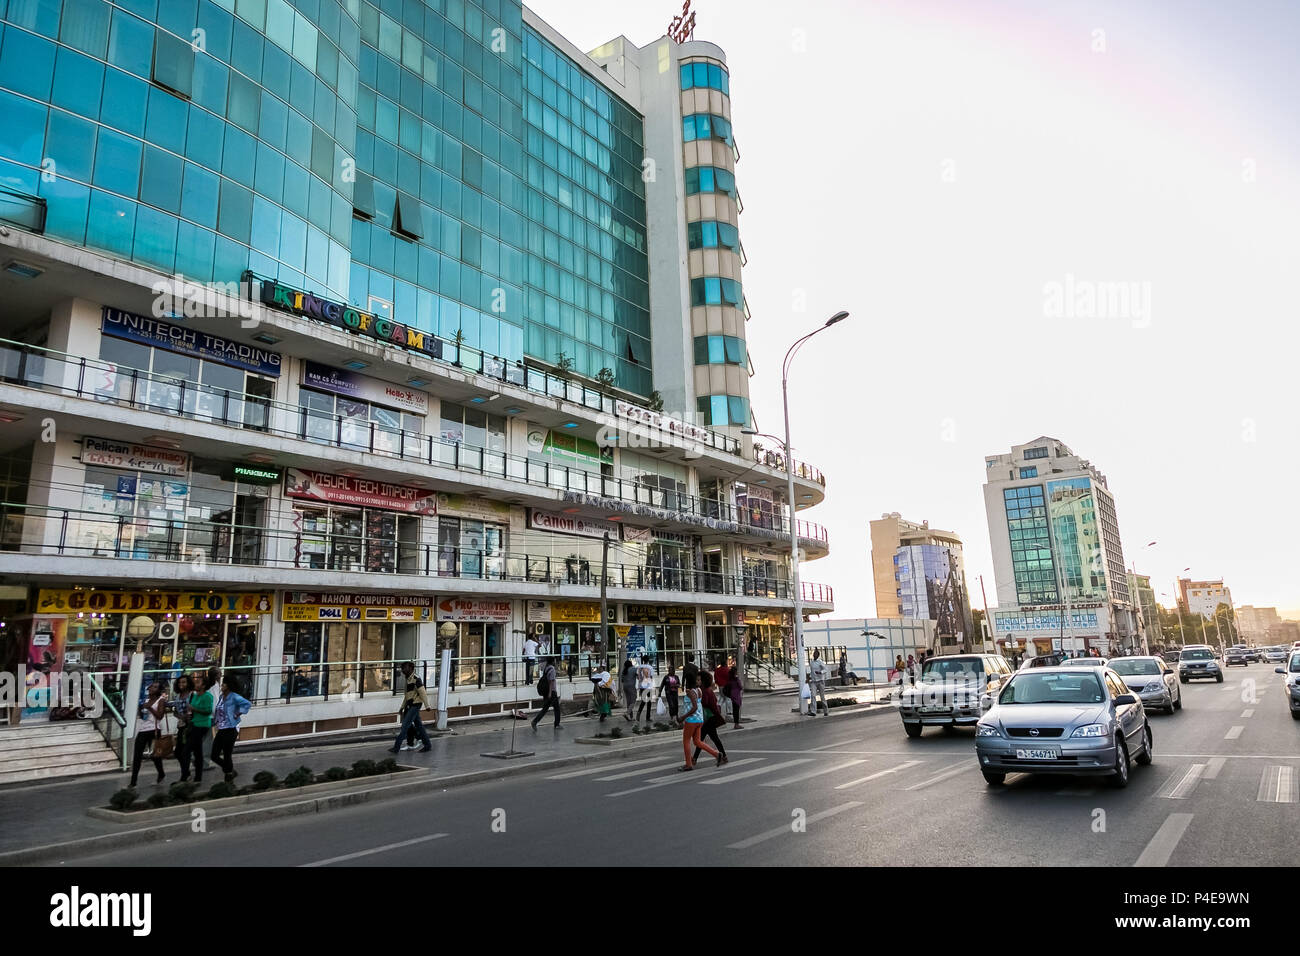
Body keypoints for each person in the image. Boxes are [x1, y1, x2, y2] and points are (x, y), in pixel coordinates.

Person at [210, 676, 251, 780]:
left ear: (228, 686)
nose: (221, 686)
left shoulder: (234, 697)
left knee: (227, 754)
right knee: (214, 755)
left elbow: (247, 704)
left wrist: (238, 713)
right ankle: (229, 770)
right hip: (221, 728)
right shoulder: (221, 697)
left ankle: (228, 777)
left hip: (231, 728)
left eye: (223, 684)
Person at [129, 682, 168, 788]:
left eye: (155, 687)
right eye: (151, 686)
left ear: (159, 690)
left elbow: (160, 716)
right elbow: (142, 716)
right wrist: (140, 709)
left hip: (154, 730)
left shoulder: (161, 701)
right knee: (137, 755)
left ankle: (161, 774)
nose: (151, 688)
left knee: (156, 756)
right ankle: (133, 782)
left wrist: (150, 708)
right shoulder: (145, 700)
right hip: (143, 729)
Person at [677, 676, 719, 771]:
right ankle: (716, 754)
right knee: (697, 742)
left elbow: (694, 707)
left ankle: (688, 764)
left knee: (686, 741)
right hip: (699, 720)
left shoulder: (690, 692)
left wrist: (683, 717)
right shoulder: (699, 690)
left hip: (691, 720)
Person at [389, 661, 432, 753]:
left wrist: (427, 705)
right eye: (402, 668)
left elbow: (423, 693)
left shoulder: (416, 679)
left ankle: (396, 747)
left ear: (411, 668)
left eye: (405, 668)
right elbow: (407, 695)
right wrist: (402, 707)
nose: (403, 670)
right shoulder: (407, 679)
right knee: (419, 726)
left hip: (416, 704)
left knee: (405, 725)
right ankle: (427, 745)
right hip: (410, 705)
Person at [692, 671, 728, 766]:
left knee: (701, 739)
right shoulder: (707, 690)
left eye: (699, 680)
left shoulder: (704, 691)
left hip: (708, 718)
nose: (697, 681)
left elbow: (705, 703)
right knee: (710, 738)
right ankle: (723, 756)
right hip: (710, 718)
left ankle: (695, 759)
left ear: (703, 681)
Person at [185, 673, 214, 783]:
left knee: (188, 750)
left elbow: (208, 711)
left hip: (202, 725)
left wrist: (194, 709)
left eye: (198, 683)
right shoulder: (194, 695)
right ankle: (198, 777)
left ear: (203, 685)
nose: (195, 684)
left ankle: (188, 775)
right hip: (194, 723)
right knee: (197, 751)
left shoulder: (207, 696)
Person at [171, 673, 194, 778]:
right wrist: (180, 716)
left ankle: (185, 774)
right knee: (178, 752)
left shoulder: (192, 695)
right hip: (181, 725)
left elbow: (194, 709)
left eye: (184, 682)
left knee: (185, 751)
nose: (181, 684)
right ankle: (186, 771)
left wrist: (188, 716)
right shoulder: (178, 696)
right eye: (180, 682)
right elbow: (175, 711)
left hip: (190, 726)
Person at [532, 657, 561, 730]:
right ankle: (557, 724)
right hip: (551, 691)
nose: (555, 661)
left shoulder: (546, 668)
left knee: (545, 708)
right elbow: (551, 681)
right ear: (552, 661)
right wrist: (550, 693)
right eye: (554, 660)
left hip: (546, 691)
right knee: (557, 708)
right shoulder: (552, 669)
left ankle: (535, 721)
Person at [635, 658, 656, 725]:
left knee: (643, 701)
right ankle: (648, 717)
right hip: (648, 686)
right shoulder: (650, 667)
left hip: (641, 686)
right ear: (648, 660)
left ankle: (639, 713)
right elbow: (651, 677)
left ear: (643, 660)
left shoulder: (639, 667)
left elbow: (637, 677)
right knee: (649, 702)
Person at [809, 649, 829, 716]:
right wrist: (809, 678)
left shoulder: (820, 662)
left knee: (822, 697)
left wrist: (820, 672)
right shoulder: (811, 662)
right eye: (814, 654)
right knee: (813, 696)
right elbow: (811, 672)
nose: (814, 655)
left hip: (820, 681)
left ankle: (826, 711)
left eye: (816, 654)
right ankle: (813, 711)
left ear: (818, 655)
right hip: (813, 681)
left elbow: (825, 669)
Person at [714, 657, 732, 721]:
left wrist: (717, 683)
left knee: (722, 697)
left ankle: (718, 707)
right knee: (728, 698)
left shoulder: (717, 670)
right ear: (725, 664)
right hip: (726, 685)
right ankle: (729, 711)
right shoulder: (727, 670)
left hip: (720, 685)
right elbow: (729, 677)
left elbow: (715, 677)